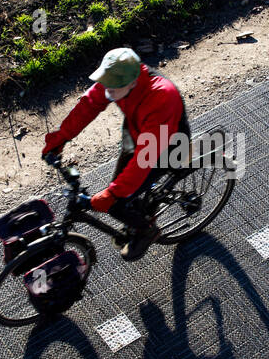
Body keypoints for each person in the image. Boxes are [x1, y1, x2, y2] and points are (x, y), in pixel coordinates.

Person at [42, 47, 191, 261]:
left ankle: (148, 230)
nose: (107, 90)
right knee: (121, 189)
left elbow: (145, 159)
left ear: (132, 82)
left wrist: (113, 195)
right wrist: (60, 138)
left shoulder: (160, 97)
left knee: (116, 202)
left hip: (168, 147)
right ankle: (136, 206)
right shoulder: (117, 82)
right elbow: (89, 105)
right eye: (105, 83)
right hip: (138, 132)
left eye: (112, 87)